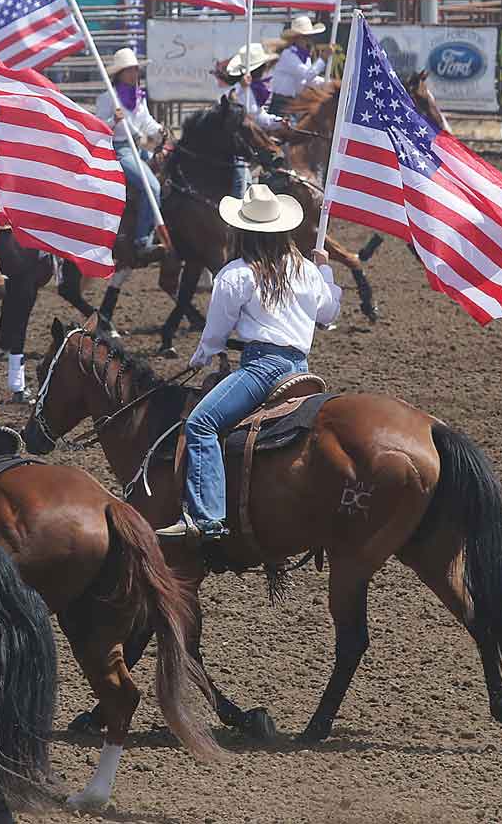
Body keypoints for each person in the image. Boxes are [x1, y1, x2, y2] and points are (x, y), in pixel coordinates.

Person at [157, 184, 341, 541]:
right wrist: (326, 272)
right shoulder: (306, 270)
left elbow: (216, 332)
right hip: (300, 370)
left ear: (243, 229)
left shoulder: (237, 274)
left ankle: (207, 517)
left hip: (261, 369)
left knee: (202, 424)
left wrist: (202, 356)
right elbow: (329, 313)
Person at [95, 47, 166, 263]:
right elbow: (98, 128)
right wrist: (112, 122)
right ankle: (142, 240)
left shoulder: (138, 97)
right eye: (129, 70)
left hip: (139, 147)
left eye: (136, 70)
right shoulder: (107, 98)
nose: (134, 74)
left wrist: (159, 130)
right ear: (120, 73)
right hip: (119, 148)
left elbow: (146, 122)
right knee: (152, 186)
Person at [215, 42, 282, 199]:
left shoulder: (253, 90)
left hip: (247, 145)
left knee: (251, 181)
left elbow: (258, 116)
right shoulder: (236, 90)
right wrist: (242, 87)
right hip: (233, 144)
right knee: (241, 182)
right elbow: (228, 105)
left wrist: (278, 121)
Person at [268, 15, 332, 119]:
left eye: (310, 37)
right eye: (306, 37)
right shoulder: (288, 55)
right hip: (281, 104)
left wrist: (330, 83)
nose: (309, 40)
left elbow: (309, 80)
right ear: (297, 38)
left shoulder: (305, 57)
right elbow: (308, 75)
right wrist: (323, 59)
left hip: (294, 103)